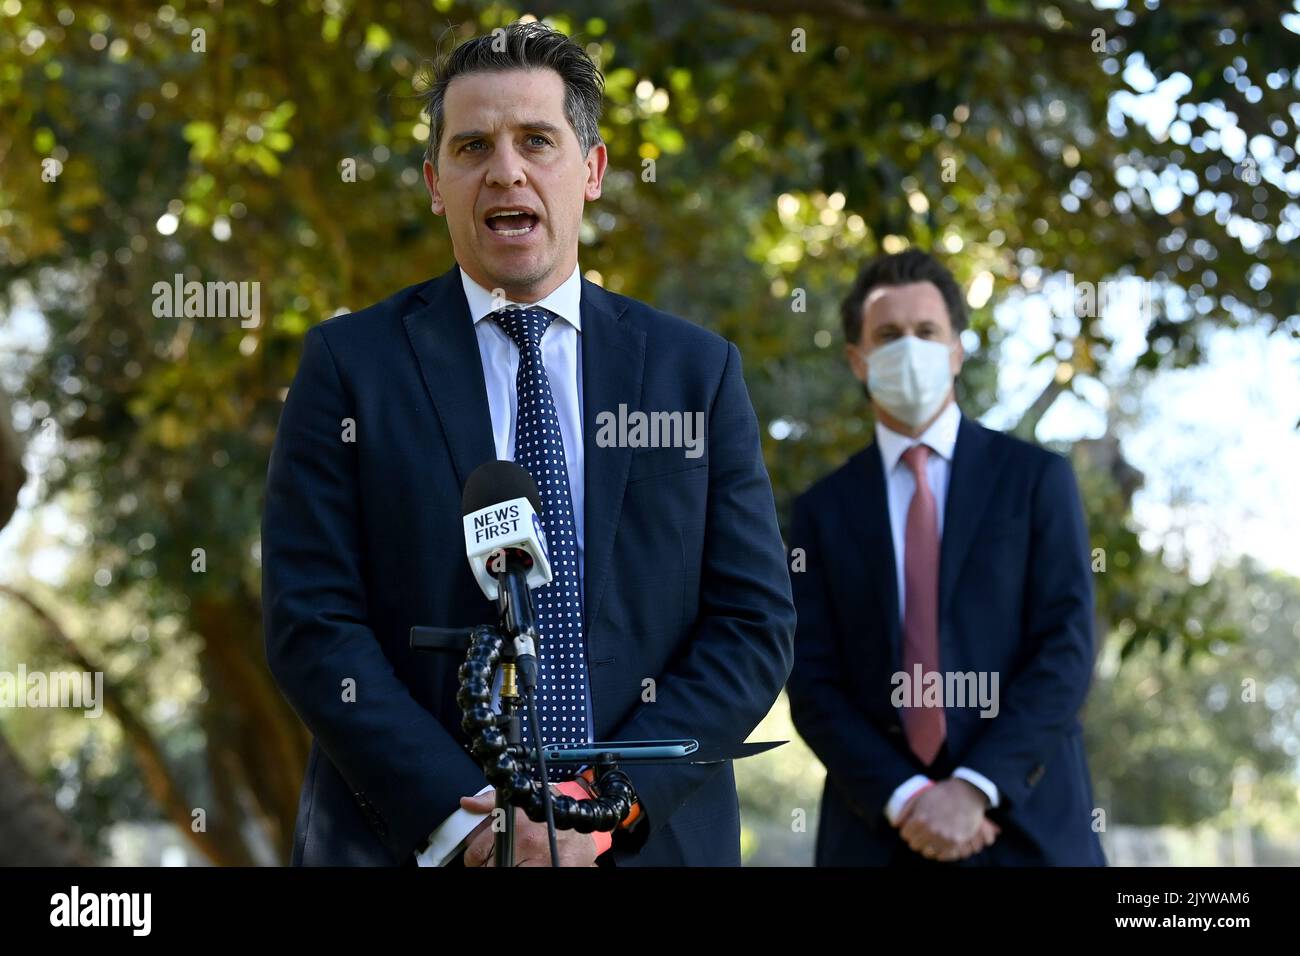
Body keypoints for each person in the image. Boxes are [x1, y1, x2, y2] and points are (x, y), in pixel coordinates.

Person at [261, 20, 794, 867]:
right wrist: (465, 821)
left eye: (536, 141)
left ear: (591, 170)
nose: (505, 168)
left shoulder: (698, 373)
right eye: (473, 146)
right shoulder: (349, 367)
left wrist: (602, 808)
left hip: (646, 845)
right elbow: (311, 621)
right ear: (437, 183)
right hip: (415, 846)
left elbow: (753, 623)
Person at [785, 249, 1105, 866]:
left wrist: (973, 788)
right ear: (858, 359)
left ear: (957, 349)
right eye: (888, 335)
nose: (910, 349)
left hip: (1029, 828)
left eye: (927, 332)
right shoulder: (822, 511)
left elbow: (1066, 648)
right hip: (878, 833)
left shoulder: (1037, 481)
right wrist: (908, 798)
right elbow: (813, 681)